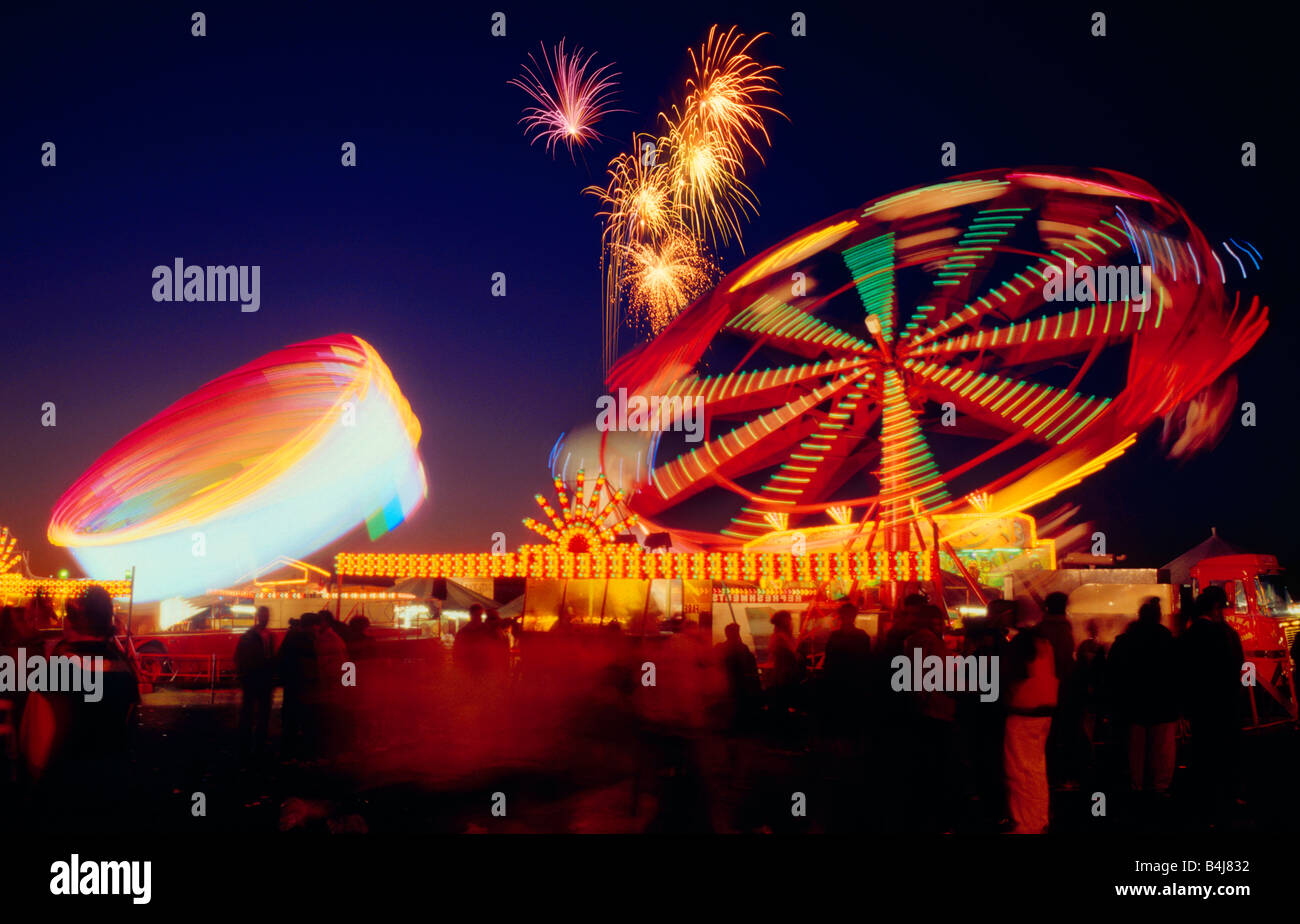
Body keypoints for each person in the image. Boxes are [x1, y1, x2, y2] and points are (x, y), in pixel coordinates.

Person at [22, 587, 140, 821]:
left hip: (62, 800)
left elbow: (35, 752)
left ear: (68, 623)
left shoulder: (53, 675)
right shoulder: (125, 672)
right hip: (112, 796)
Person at [1179, 586, 1245, 826]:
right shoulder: (1224, 634)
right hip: (1226, 703)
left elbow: (1183, 672)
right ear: (1217, 607)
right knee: (1226, 751)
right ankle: (1227, 796)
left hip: (1201, 705)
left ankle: (1203, 800)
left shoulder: (1190, 635)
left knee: (1203, 752)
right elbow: (1236, 664)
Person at [1107, 598, 1178, 793]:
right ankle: (1160, 787)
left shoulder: (1125, 641)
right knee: (1162, 752)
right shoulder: (1168, 640)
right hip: (1163, 704)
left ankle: (1135, 785)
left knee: (1135, 752)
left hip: (1133, 704)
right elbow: (1178, 673)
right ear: (1158, 617)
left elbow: (1114, 673)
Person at [1003, 623, 1057, 834]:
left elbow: (1010, 674)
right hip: (1045, 713)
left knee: (1019, 772)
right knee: (1036, 770)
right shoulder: (1046, 645)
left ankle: (1025, 824)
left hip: (1023, 710)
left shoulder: (1021, 644)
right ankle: (1039, 819)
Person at [821, 601, 872, 733]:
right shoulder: (862, 636)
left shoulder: (835, 636)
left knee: (838, 720)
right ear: (854, 616)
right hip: (855, 683)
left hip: (837, 682)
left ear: (840, 616)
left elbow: (829, 660)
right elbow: (866, 661)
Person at [235, 606, 276, 763]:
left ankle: (248, 741)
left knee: (251, 710)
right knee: (260, 711)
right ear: (260, 617)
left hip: (255, 678)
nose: (265, 618)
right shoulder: (268, 636)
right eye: (263, 615)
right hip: (259, 677)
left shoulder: (249, 636)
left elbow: (239, 657)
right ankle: (258, 742)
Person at [278, 614, 317, 760]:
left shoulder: (292, 637)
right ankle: (302, 750)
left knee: (291, 718)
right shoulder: (305, 640)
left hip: (293, 682)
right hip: (303, 683)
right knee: (304, 716)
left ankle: (289, 749)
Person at [712, 623, 761, 732]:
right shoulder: (742, 648)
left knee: (731, 706)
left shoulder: (724, 647)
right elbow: (750, 666)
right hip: (737, 683)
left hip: (729, 683)